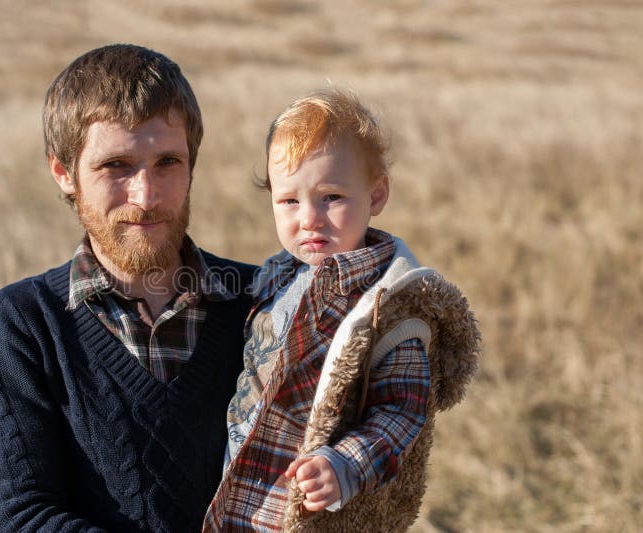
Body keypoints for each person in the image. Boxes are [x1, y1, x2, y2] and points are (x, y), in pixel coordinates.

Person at [0, 44, 256, 532]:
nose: (146, 196)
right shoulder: (24, 324)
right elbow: (23, 519)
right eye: (116, 166)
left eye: (168, 161)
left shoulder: (262, 301)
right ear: (64, 173)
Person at [203, 88, 480, 531]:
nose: (309, 218)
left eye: (330, 197)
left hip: (312, 510)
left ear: (376, 195)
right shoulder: (277, 278)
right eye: (289, 201)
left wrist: (344, 465)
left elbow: (402, 410)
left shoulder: (388, 305)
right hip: (243, 496)